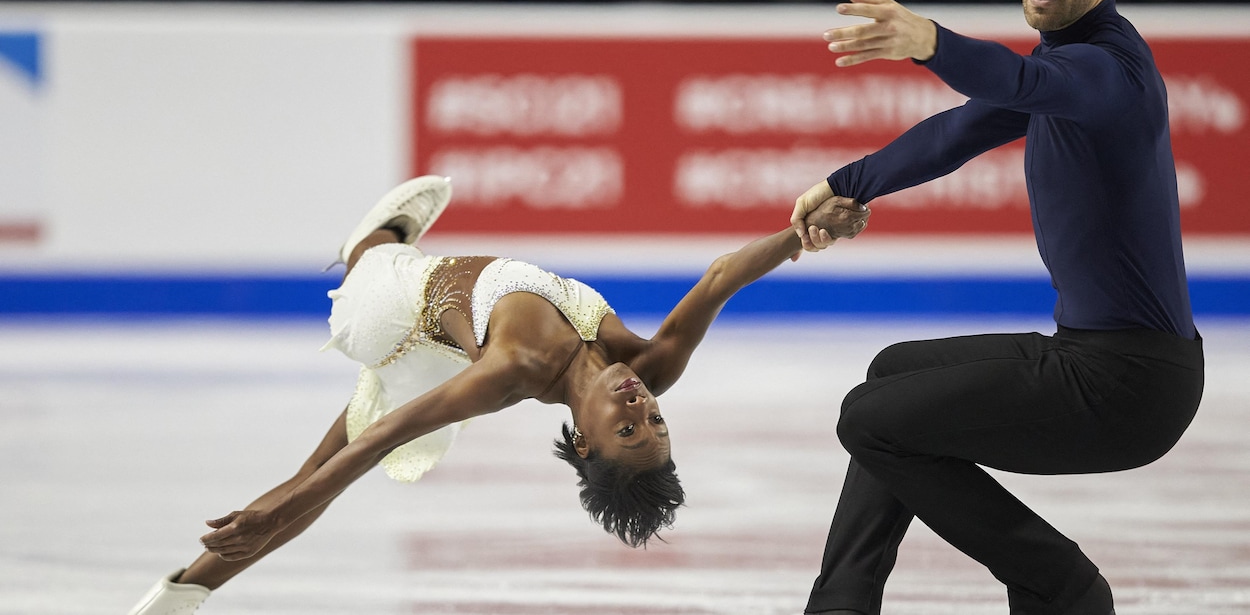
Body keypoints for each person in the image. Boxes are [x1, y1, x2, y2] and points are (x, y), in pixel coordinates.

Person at [125, 174, 868, 614]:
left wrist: (280, 505)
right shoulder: (646, 366)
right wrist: (803, 233)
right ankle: (184, 593)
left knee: (324, 450)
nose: (641, 406)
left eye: (628, 429)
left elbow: (379, 442)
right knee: (307, 480)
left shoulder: (514, 367)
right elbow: (719, 279)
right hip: (434, 357)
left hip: (383, 316)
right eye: (657, 422)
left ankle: (371, 244)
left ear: (585, 441)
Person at [788, 0, 1203, 614]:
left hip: (1129, 385)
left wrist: (929, 41)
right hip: (1094, 357)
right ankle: (842, 605)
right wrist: (846, 184)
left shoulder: (1108, 72)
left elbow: (1012, 75)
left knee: (870, 420)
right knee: (892, 374)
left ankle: (1062, 584)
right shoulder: (1063, 69)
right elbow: (960, 130)